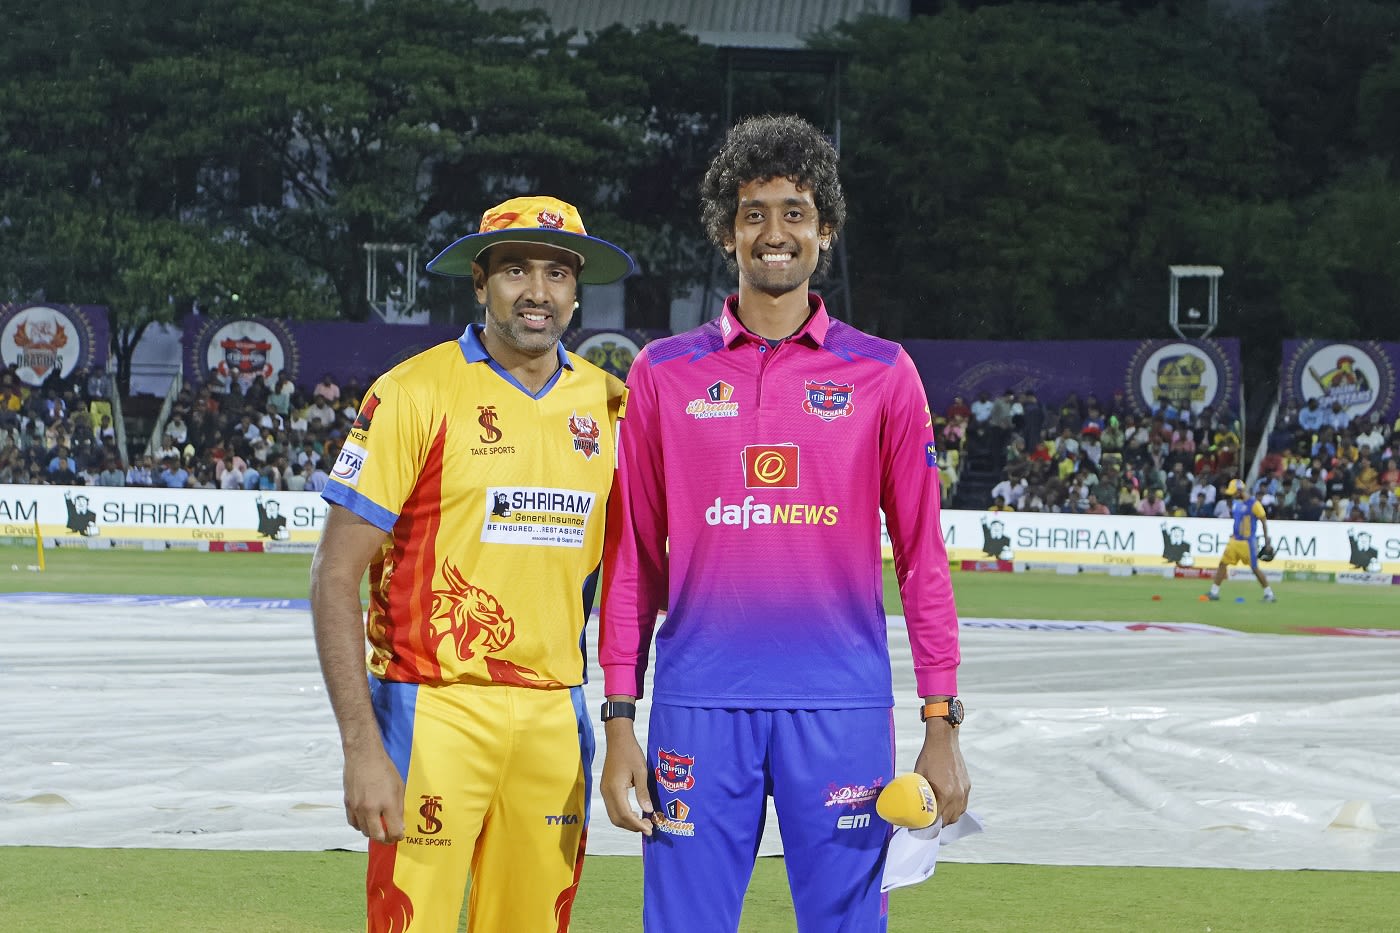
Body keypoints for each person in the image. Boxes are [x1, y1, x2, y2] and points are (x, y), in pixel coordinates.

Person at [598, 114, 970, 932]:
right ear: (726, 232)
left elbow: (922, 558)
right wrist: (619, 717)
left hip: (841, 709)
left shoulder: (883, 373)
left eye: (795, 212)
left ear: (825, 229)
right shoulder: (662, 373)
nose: (774, 233)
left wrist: (941, 720)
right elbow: (632, 563)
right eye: (753, 214)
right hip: (699, 705)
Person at [309, 194, 634, 933]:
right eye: (515, 270)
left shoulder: (612, 404)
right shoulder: (412, 391)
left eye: (557, 273)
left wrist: (622, 723)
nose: (537, 291)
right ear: (480, 283)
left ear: (577, 291)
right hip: (432, 710)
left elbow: (634, 580)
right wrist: (361, 747)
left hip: (555, 715)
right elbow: (333, 574)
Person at [1208, 478, 1276, 602]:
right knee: (1223, 564)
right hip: (1234, 540)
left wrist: (1267, 541)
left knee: (1254, 568)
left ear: (1240, 491)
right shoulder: (1236, 503)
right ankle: (1214, 592)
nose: (1232, 495)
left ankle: (1269, 594)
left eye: (1234, 492)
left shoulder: (1254, 504)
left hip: (1247, 542)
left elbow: (1263, 521)